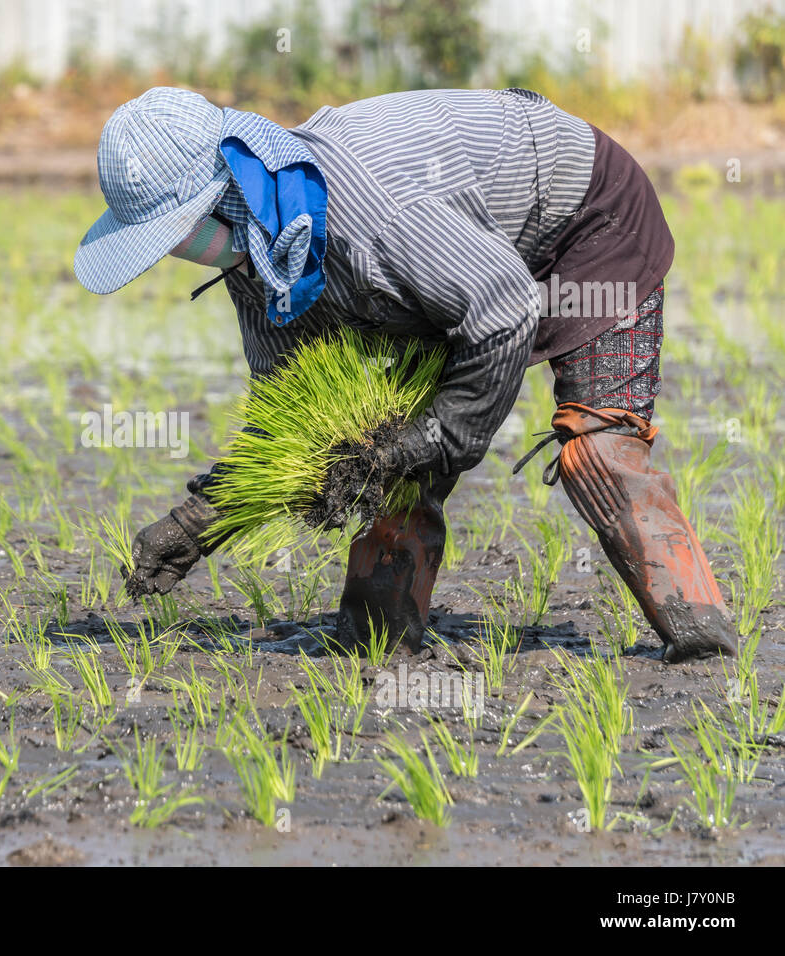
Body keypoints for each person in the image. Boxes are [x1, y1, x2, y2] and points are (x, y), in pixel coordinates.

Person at [72, 86, 737, 664]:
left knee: (597, 448)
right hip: (466, 255)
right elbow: (293, 413)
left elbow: (503, 309)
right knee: (373, 447)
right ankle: (375, 643)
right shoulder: (267, 256)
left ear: (228, 194)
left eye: (175, 234)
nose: (179, 255)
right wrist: (199, 520)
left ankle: (700, 636)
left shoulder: (373, 219)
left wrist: (441, 436)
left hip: (586, 219)